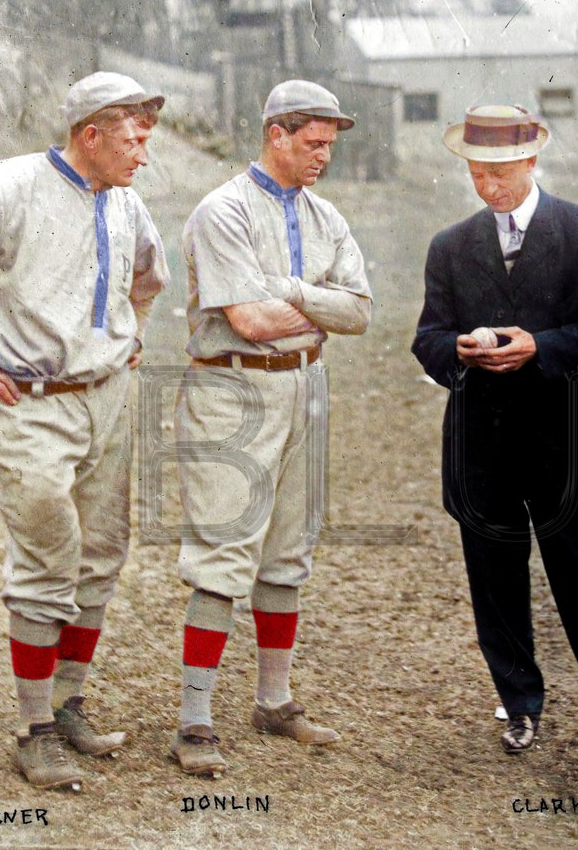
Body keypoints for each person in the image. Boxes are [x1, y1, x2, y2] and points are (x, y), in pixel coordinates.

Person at [0, 71, 169, 790]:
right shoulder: (4, 187)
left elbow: (147, 278)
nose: (143, 151)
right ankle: (33, 728)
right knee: (50, 559)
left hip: (105, 398)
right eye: (133, 137)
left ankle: (67, 701)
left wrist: (126, 333)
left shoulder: (127, 202)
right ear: (91, 134)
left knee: (103, 554)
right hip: (28, 404)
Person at [411, 104, 578, 775]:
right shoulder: (451, 246)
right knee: (495, 583)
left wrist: (539, 347)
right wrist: (457, 351)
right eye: (476, 171)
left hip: (570, 442)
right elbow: (427, 337)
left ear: (531, 160)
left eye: (500, 170)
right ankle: (519, 704)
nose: (488, 184)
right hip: (482, 447)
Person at [169, 80, 371, 777]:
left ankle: (274, 700)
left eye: (330, 146)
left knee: (289, 550)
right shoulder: (222, 210)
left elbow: (361, 312)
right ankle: (195, 719)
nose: (324, 157)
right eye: (313, 143)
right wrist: (319, 305)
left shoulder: (327, 216)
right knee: (224, 553)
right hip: (233, 387)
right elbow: (248, 324)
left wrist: (288, 291)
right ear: (275, 134)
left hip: (305, 384)